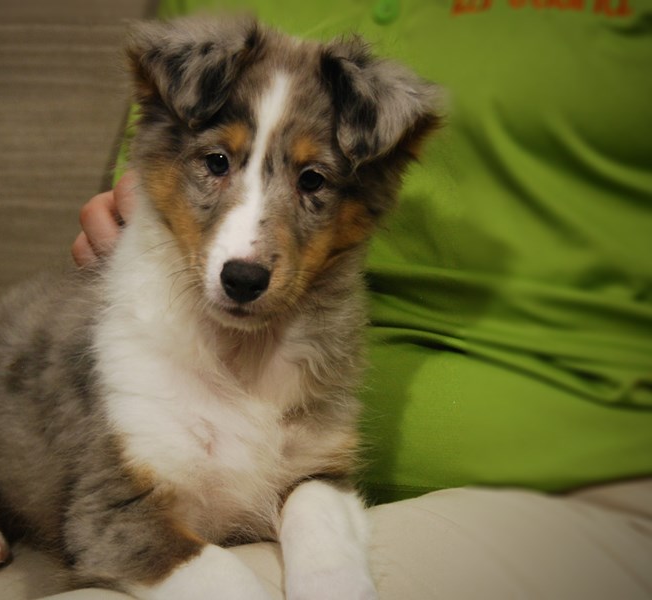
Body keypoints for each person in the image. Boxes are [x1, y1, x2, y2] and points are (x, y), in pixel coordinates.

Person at [73, 0, 652, 596]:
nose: (250, 248)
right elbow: (142, 181)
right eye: (219, 162)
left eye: (312, 181)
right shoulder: (200, 62)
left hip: (578, 483)